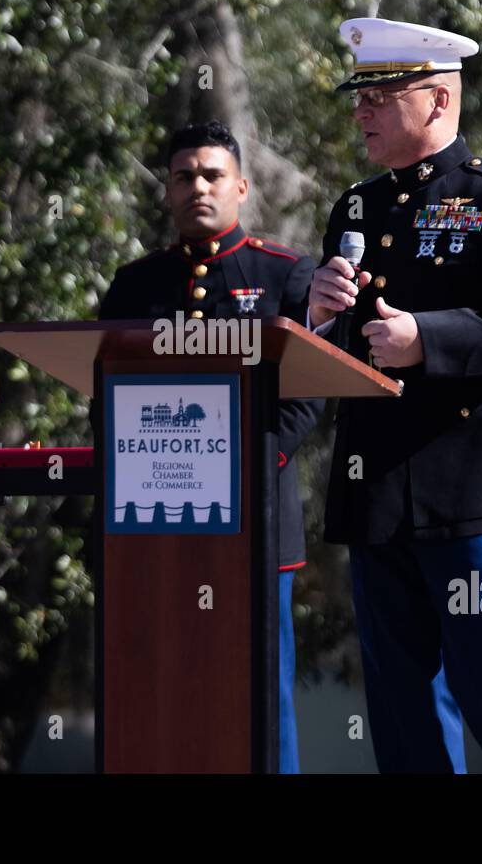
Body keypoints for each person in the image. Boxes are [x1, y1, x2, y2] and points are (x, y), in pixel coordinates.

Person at [307, 17, 482, 773]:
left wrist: (428, 337)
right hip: (378, 485)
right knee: (402, 701)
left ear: (436, 100)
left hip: (469, 485)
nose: (360, 111)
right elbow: (333, 349)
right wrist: (316, 317)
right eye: (358, 96)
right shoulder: (355, 209)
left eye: (379, 95)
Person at [98, 120, 322, 773]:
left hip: (256, 524)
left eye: (212, 174)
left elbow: (306, 393)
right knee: (164, 684)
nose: (197, 186)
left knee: (260, 688)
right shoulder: (135, 285)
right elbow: (105, 392)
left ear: (241, 187)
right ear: (166, 191)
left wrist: (249, 468)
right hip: (156, 529)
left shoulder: (282, 274)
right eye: (183, 175)